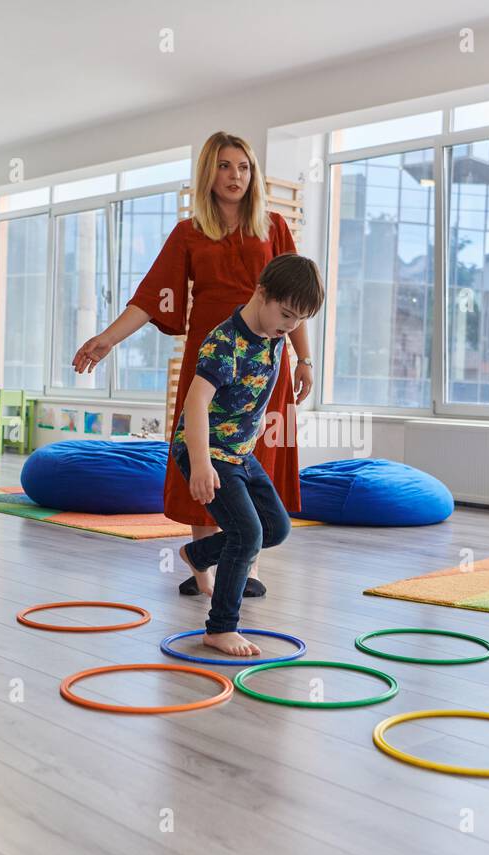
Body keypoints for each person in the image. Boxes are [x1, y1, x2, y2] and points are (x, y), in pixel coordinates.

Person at [72, 132, 314, 598]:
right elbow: (150, 298)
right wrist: (107, 340)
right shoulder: (189, 233)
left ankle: (247, 566)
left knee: (253, 459)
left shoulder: (275, 227)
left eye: (243, 167)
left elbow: (294, 301)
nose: (235, 176)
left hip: (264, 363)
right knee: (205, 458)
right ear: (208, 173)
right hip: (213, 358)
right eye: (224, 166)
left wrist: (304, 359)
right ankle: (203, 568)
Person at [173, 253, 324, 656]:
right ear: (261, 292)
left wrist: (305, 359)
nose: (290, 327)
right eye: (287, 315)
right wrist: (201, 463)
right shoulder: (226, 343)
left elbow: (289, 329)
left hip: (240, 453)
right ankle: (220, 627)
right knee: (248, 533)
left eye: (298, 320)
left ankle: (197, 554)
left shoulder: (275, 333)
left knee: (276, 529)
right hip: (206, 449)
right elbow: (195, 403)